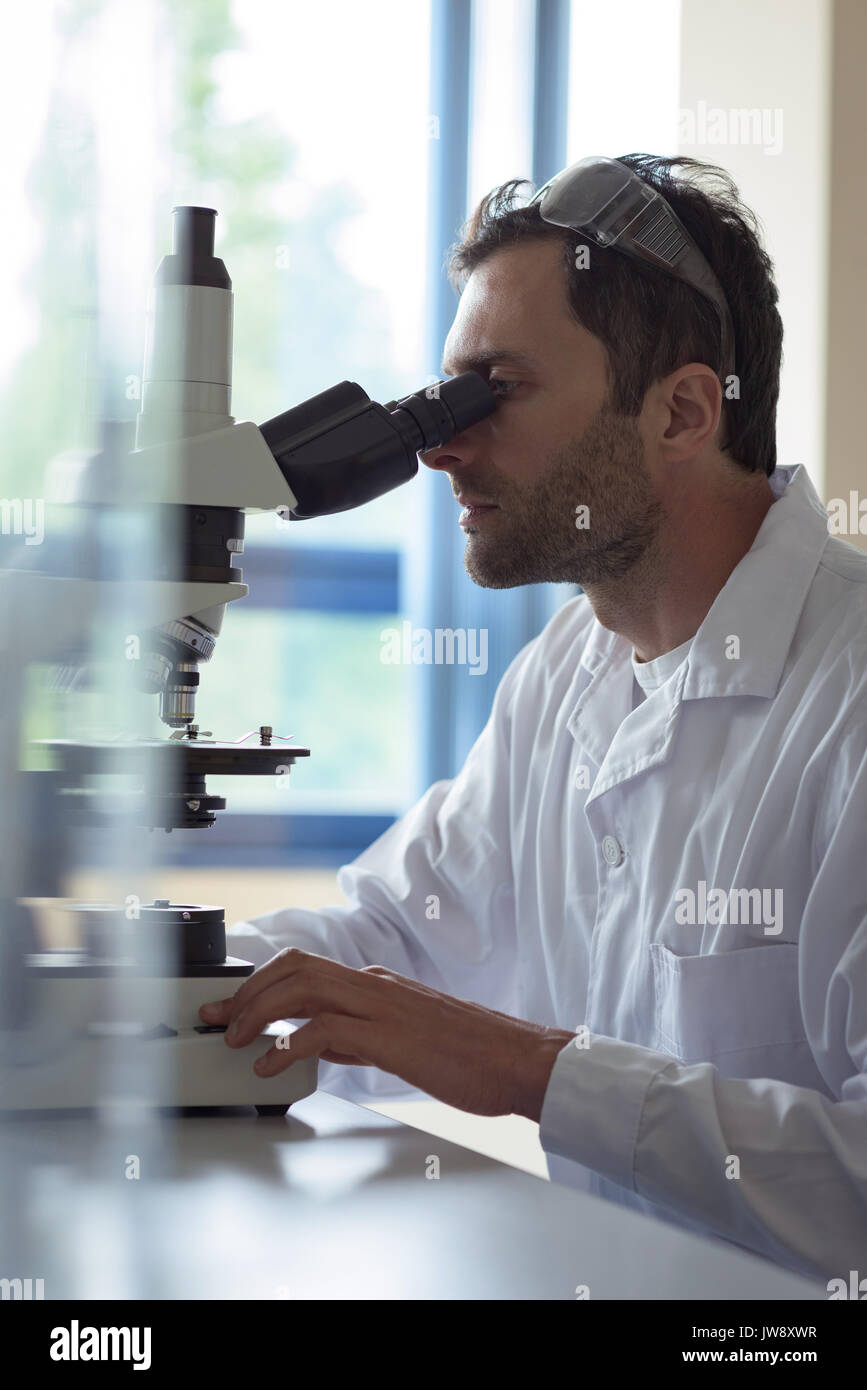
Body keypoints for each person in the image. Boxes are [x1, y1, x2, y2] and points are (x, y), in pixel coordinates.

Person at [200, 154, 867, 1282]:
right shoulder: (568, 672)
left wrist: (535, 1071)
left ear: (684, 411)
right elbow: (384, 948)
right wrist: (106, 975)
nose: (439, 445)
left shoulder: (846, 699)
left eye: (493, 391)